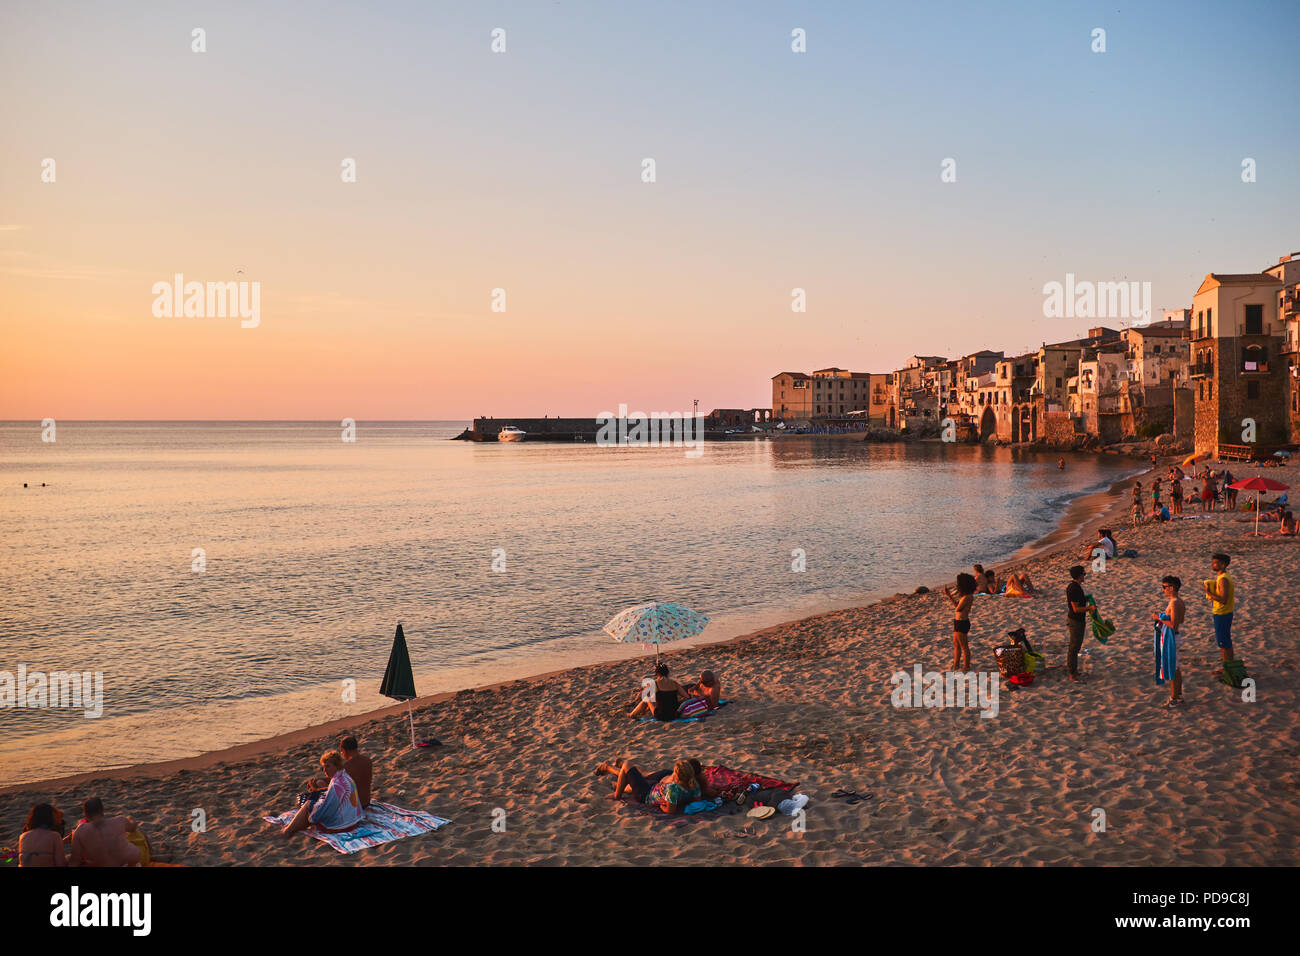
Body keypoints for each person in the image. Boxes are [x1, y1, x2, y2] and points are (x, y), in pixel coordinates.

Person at [281, 750, 364, 837]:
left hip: (342, 825)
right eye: (323, 767)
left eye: (327, 767)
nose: (324, 770)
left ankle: (287, 831)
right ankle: (293, 826)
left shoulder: (336, 785)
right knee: (316, 797)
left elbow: (325, 811)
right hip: (353, 820)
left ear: (336, 766)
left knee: (309, 805)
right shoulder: (345, 777)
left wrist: (313, 808)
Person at [596, 757, 701, 814]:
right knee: (637, 776)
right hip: (654, 787)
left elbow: (670, 811)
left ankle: (616, 795)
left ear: (676, 777)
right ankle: (617, 780)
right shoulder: (695, 785)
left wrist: (662, 806)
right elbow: (697, 801)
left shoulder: (672, 789)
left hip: (645, 794)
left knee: (627, 765)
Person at [69, 798, 141, 866]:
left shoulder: (80, 831)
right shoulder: (120, 820)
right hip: (127, 863)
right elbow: (133, 827)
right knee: (139, 834)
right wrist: (131, 819)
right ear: (102, 810)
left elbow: (75, 860)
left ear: (85, 815)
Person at [1152, 575, 1185, 707]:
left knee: (1173, 669)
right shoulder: (1177, 601)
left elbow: (1174, 624)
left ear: (1172, 587)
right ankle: (1178, 696)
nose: (1163, 590)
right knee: (1174, 668)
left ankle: (1174, 698)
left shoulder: (1175, 603)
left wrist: (1159, 618)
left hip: (1172, 637)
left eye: (1165, 587)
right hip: (1172, 636)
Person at [1065, 565, 1096, 683]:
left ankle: (1074, 671)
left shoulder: (1076, 587)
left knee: (1076, 646)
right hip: (1075, 621)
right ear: (1079, 575)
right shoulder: (1074, 589)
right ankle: (1072, 674)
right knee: (1074, 647)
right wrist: (1090, 608)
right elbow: (1076, 609)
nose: (1085, 576)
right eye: (1084, 574)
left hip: (1078, 621)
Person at [1204, 553, 1235, 664]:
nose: (1212, 564)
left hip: (1223, 613)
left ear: (1223, 565)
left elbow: (1223, 599)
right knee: (1224, 642)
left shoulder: (1223, 579)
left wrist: (1208, 593)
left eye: (1215, 563)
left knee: (1224, 643)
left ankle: (1228, 668)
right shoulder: (1222, 577)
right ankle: (1226, 665)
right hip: (1223, 612)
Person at [943, 572, 976, 671]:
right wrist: (949, 596)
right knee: (956, 644)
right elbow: (958, 606)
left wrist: (952, 596)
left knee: (964, 646)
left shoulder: (967, 597)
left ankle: (966, 666)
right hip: (958, 622)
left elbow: (957, 608)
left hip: (962, 622)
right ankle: (956, 665)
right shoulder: (965, 596)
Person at [339, 736, 373, 809]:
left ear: (344, 750)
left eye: (341, 751)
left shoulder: (346, 767)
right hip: (366, 801)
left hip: (355, 806)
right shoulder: (368, 761)